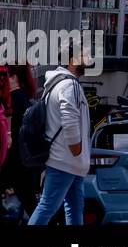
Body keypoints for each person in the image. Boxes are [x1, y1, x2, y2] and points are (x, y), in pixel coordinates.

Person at [26, 53, 92, 226]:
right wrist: (76, 149)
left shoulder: (58, 84)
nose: (88, 58)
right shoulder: (69, 85)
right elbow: (69, 119)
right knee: (47, 206)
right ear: (71, 61)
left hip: (69, 162)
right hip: (65, 160)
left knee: (74, 207)